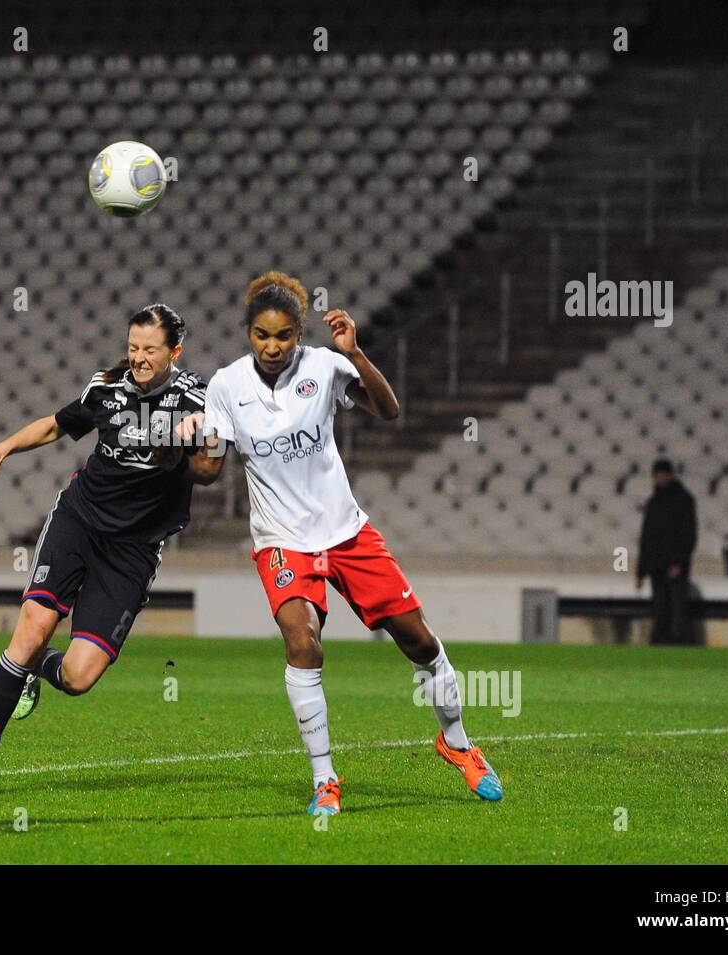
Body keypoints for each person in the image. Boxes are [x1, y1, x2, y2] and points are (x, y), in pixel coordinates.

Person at [182, 271, 502, 815]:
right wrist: (190, 445)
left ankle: (458, 743)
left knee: (419, 642)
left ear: (299, 332)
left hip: (346, 533)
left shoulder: (325, 366)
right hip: (281, 540)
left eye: (283, 335)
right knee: (303, 644)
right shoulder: (225, 386)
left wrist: (357, 354)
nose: (272, 346)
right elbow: (209, 471)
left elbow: (388, 409)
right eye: (261, 334)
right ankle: (324, 779)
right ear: (248, 332)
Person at [0, 304, 206, 801]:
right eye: (133, 347)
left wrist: (189, 449)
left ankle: (38, 670)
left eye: (150, 349)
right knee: (32, 626)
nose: (138, 358)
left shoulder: (196, 400)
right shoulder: (107, 388)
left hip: (132, 549)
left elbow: (209, 468)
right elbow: (55, 425)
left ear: (175, 351)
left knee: (80, 676)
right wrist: (1, 448)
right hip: (79, 522)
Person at [635, 459, 698, 645]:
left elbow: (688, 534)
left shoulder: (684, 500)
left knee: (677, 608)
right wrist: (641, 571)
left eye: (663, 474)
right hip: (657, 565)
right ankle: (661, 645)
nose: (660, 478)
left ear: (670, 475)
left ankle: (681, 645)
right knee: (660, 608)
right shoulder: (654, 502)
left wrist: (679, 562)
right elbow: (646, 537)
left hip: (675, 565)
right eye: (657, 475)